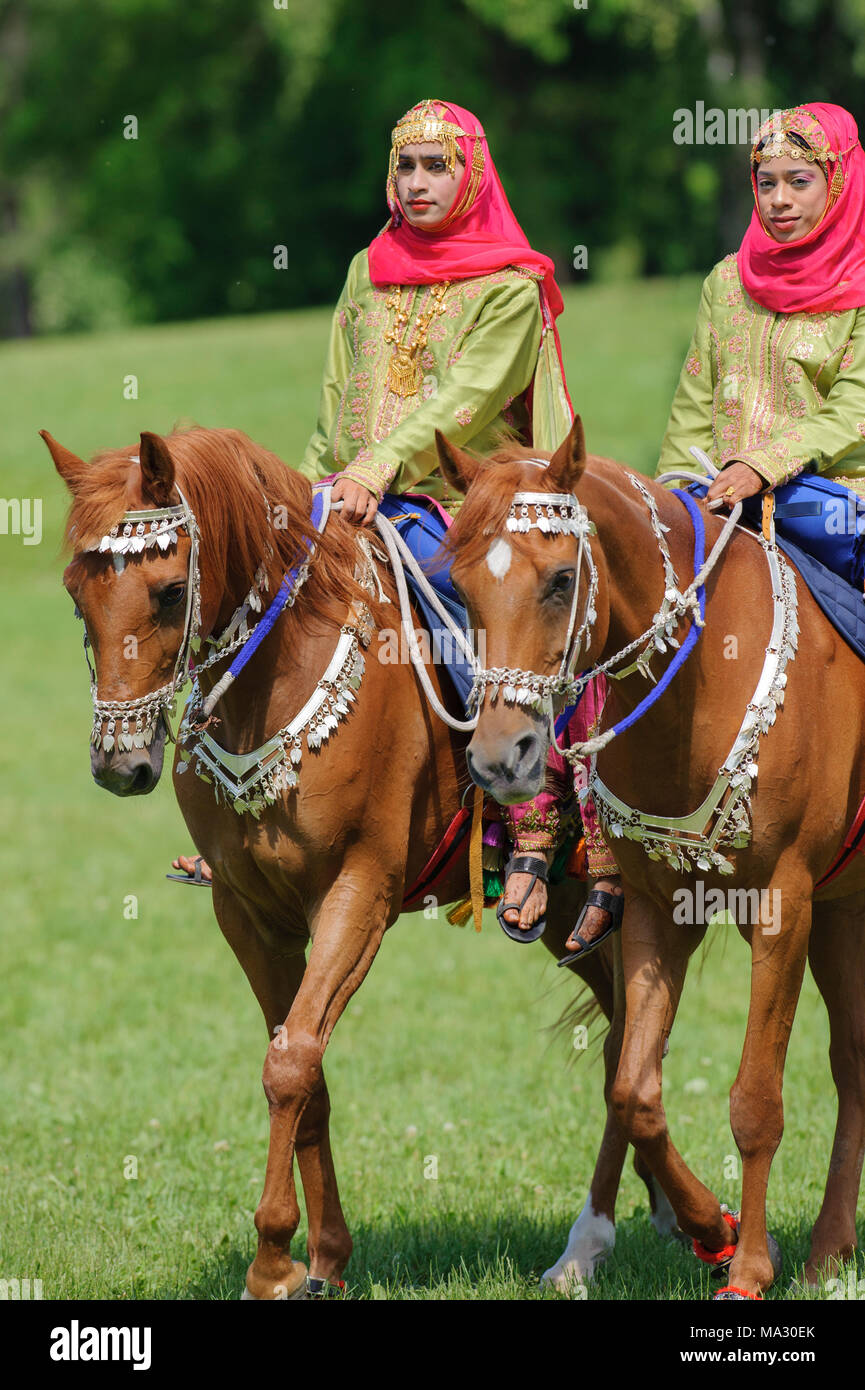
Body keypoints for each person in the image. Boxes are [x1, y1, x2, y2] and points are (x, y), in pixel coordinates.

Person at [172, 97, 622, 952]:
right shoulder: (365, 270)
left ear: (473, 175)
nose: (416, 184)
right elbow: (338, 401)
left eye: (436, 167)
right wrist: (304, 498)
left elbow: (466, 402)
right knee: (251, 600)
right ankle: (230, 804)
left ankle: (530, 810)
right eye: (405, 168)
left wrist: (381, 469)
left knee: (474, 611)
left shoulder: (510, 283)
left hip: (468, 504)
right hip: (351, 492)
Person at [657, 102, 865, 509]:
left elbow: (854, 409)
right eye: (766, 183)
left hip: (830, 504)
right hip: (721, 500)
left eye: (799, 182)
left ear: (839, 184)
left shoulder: (860, 283)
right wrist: (670, 511)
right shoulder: (728, 279)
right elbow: (693, 408)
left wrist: (761, 466)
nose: (779, 199)